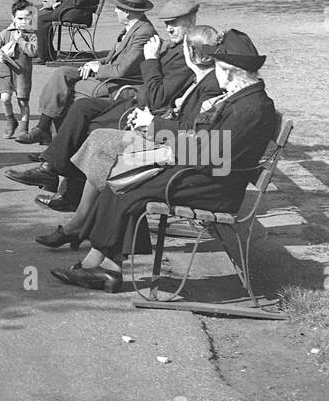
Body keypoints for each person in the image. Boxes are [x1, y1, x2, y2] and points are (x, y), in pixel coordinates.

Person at [51, 30, 276, 292]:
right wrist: (166, 149)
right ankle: (100, 266)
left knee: (126, 187)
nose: (217, 74)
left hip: (215, 185)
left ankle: (106, 270)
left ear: (230, 71)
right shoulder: (244, 97)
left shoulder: (250, 107)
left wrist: (166, 152)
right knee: (120, 175)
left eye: (218, 68)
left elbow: (213, 153)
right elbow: (208, 144)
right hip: (206, 173)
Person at [33, 21, 219, 245]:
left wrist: (153, 122)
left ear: (193, 55)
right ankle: (81, 222)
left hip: (175, 155)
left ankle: (85, 230)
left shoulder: (211, 84)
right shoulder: (203, 77)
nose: (169, 29)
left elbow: (199, 138)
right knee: (99, 140)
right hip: (168, 140)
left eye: (174, 24)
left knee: (111, 161)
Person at [9, 0, 203, 194]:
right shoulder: (174, 46)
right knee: (80, 105)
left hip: (138, 102)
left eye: (174, 23)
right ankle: (51, 167)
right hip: (133, 97)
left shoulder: (188, 54)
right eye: (167, 24)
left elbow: (157, 96)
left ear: (192, 21)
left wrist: (151, 59)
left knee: (84, 116)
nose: (169, 29)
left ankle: (63, 183)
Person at [15, 0, 156, 144]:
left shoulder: (144, 33)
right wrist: (95, 62)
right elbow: (113, 58)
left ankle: (52, 139)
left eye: (118, 8)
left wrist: (98, 68)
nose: (116, 11)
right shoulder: (132, 27)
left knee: (67, 90)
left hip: (120, 84)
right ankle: (44, 130)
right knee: (63, 73)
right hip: (109, 74)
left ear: (128, 12)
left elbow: (121, 70)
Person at [0, 0, 38, 138]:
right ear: (13, 18)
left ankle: (24, 127)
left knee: (22, 101)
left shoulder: (32, 35)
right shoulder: (6, 33)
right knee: (5, 98)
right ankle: (11, 121)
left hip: (22, 73)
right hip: (5, 71)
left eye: (27, 19)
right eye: (20, 18)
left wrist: (21, 41)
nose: (23, 22)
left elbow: (33, 52)